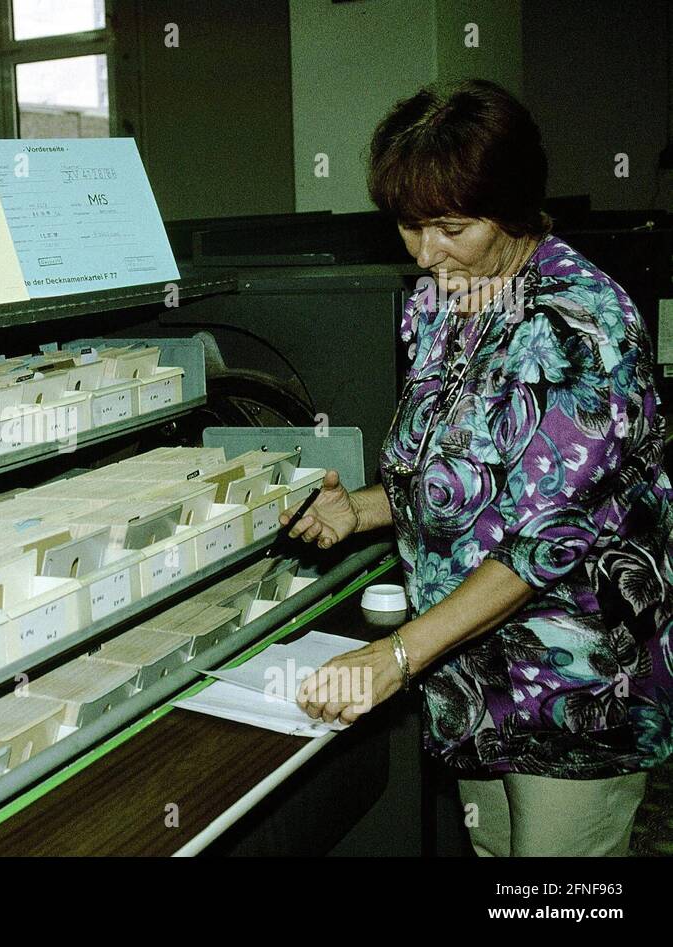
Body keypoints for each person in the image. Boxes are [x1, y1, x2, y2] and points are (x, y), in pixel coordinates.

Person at [282, 78, 673, 856]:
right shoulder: (440, 301)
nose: (427, 254)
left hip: (575, 681)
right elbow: (455, 469)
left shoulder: (582, 324)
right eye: (409, 227)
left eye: (452, 226)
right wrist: (358, 509)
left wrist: (395, 656)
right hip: (468, 664)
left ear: (517, 209)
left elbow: (543, 541)